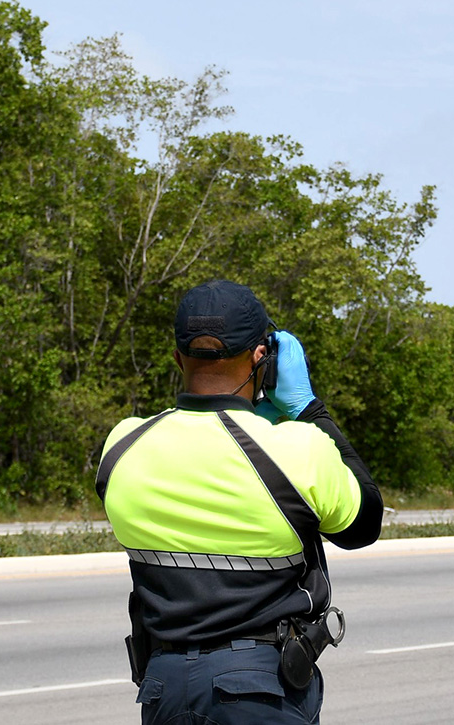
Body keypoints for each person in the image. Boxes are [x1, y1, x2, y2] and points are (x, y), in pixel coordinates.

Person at [96, 280, 383, 724]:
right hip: (260, 690)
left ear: (178, 358)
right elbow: (364, 524)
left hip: (162, 689)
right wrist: (309, 409)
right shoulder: (298, 450)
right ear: (261, 359)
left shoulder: (121, 447)